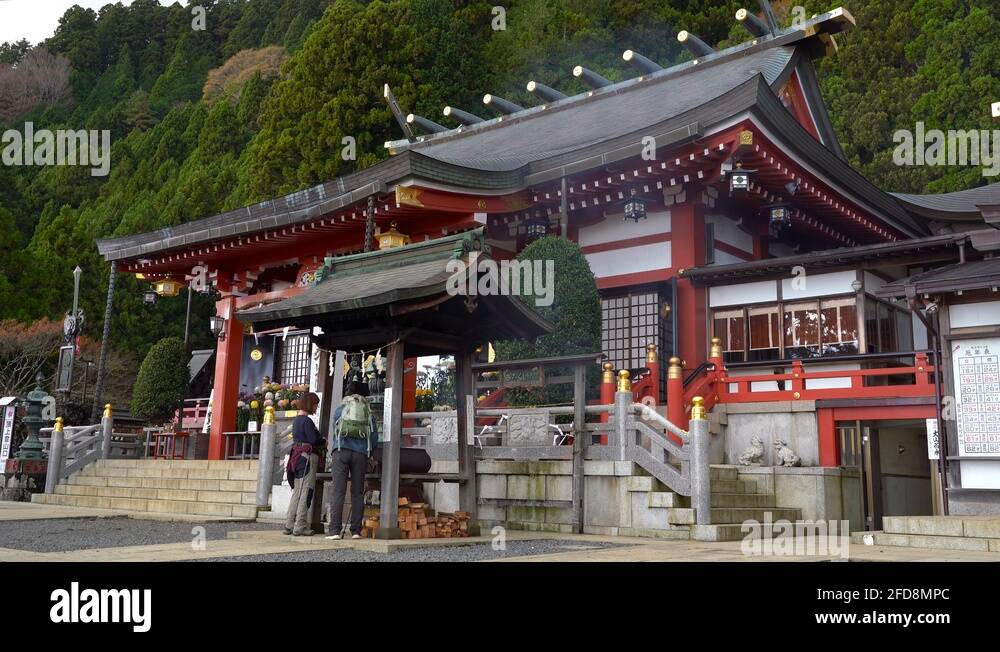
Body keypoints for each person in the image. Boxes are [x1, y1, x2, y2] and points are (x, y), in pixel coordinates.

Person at [326, 381, 379, 540]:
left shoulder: (340, 409)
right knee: (357, 492)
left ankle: (335, 530)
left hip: (341, 451)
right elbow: (374, 436)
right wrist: (368, 452)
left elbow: (335, 431)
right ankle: (356, 530)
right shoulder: (368, 412)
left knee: (338, 491)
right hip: (360, 454)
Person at [284, 392, 322, 536]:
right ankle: (300, 525)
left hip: (297, 456)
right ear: (310, 404)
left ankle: (289, 524)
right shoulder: (307, 421)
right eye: (315, 405)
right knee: (306, 491)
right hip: (307, 457)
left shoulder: (296, 421)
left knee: (297, 492)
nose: (316, 408)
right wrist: (322, 440)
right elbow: (313, 439)